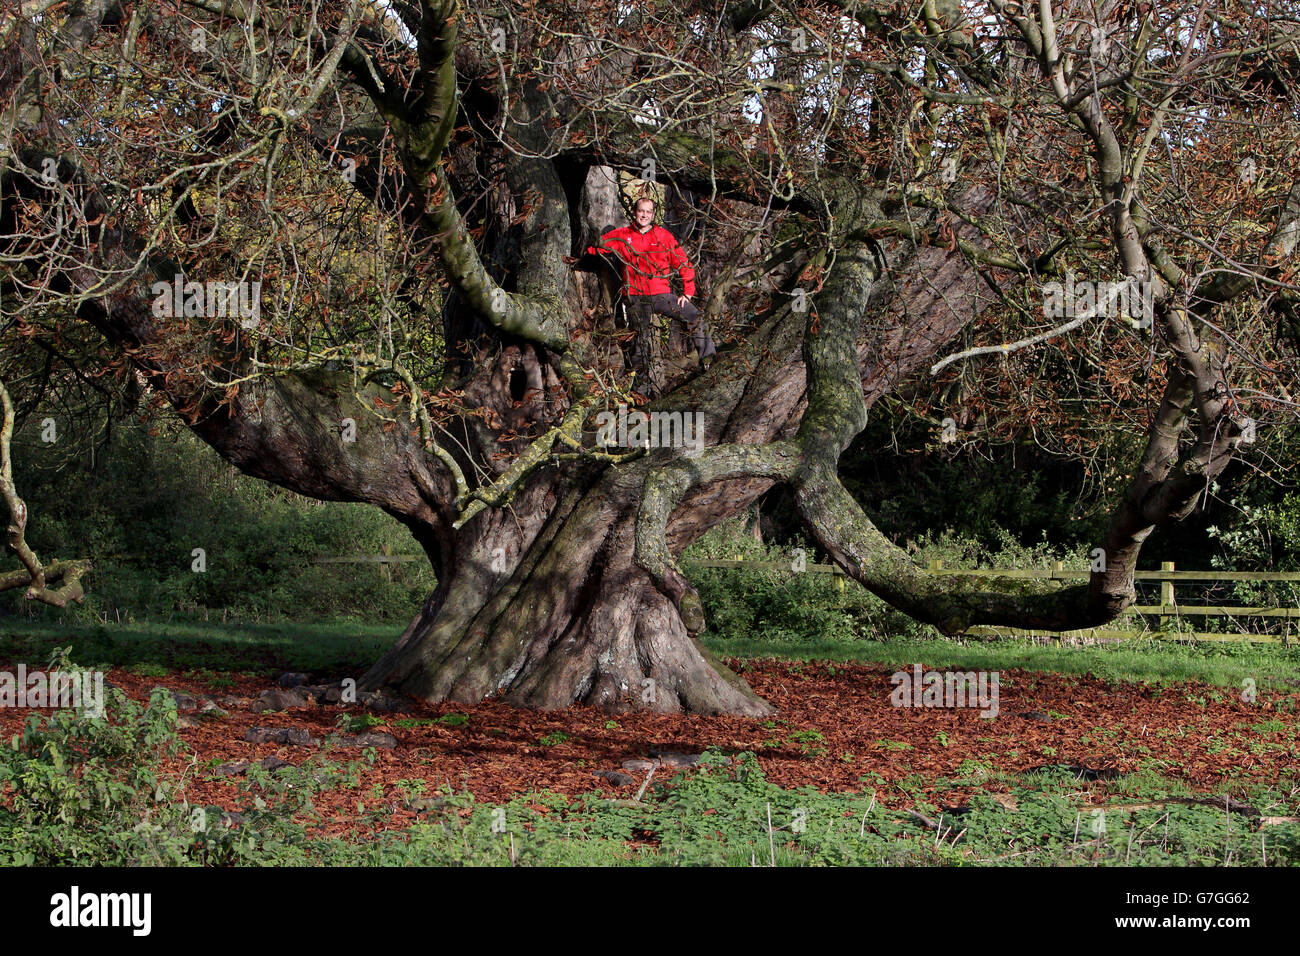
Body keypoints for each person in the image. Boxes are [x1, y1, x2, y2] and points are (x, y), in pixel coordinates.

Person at [587, 197, 716, 396]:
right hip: (636, 297)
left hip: (662, 295)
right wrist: (583, 254)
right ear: (635, 212)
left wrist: (688, 292)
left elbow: (684, 264)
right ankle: (642, 392)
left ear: (653, 214)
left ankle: (709, 361)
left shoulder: (664, 237)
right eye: (641, 211)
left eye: (648, 211)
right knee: (639, 342)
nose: (644, 215)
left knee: (695, 316)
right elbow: (597, 248)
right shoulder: (622, 235)